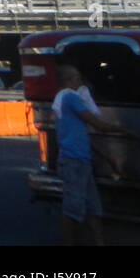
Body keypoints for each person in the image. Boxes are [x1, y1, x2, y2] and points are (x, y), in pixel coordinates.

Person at [52, 65, 130, 245]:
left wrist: (105, 157)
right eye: (77, 78)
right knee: (72, 209)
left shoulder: (61, 100)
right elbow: (97, 124)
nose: (80, 82)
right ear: (67, 81)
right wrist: (125, 131)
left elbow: (82, 136)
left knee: (92, 208)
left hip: (81, 161)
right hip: (74, 162)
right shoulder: (70, 97)